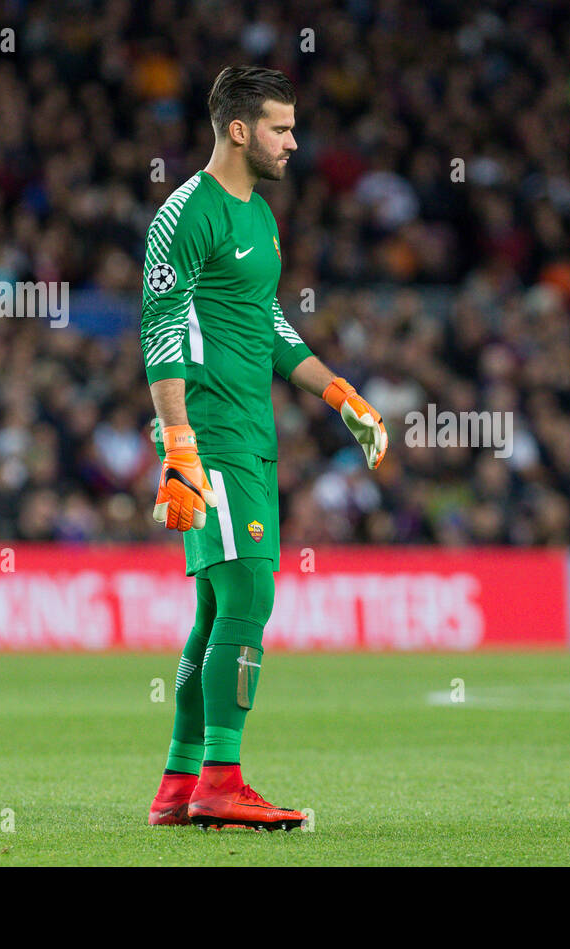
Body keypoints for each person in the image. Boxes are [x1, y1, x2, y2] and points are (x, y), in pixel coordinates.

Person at [141, 66, 387, 830]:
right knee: (248, 592)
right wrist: (178, 444)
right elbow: (161, 328)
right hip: (210, 435)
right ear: (240, 130)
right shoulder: (186, 214)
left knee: (217, 607)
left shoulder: (259, 218)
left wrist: (338, 392)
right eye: (281, 127)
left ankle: (181, 786)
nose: (293, 141)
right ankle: (221, 781)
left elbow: (266, 325)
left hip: (251, 437)